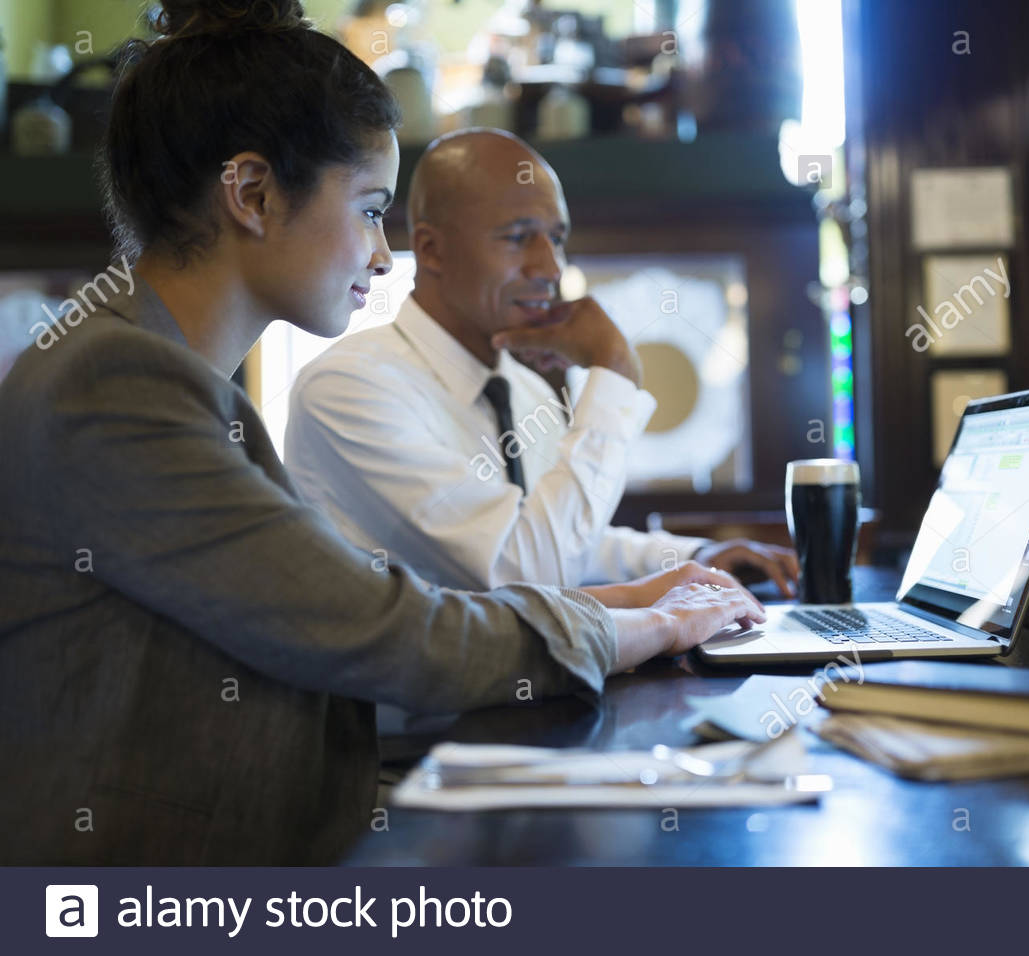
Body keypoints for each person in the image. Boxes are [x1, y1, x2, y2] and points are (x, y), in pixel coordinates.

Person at [0, 0, 764, 866]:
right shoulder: (114, 387)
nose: (380, 255)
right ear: (251, 194)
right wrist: (640, 628)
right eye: (368, 208)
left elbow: (370, 602)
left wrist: (633, 598)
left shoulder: (156, 379)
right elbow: (385, 631)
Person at [285, 128, 801, 597]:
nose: (551, 266)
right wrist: (613, 372)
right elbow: (529, 571)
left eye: (556, 238)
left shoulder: (523, 389)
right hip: (415, 704)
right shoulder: (350, 386)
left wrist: (692, 557)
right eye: (517, 237)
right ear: (431, 250)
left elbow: (563, 539)